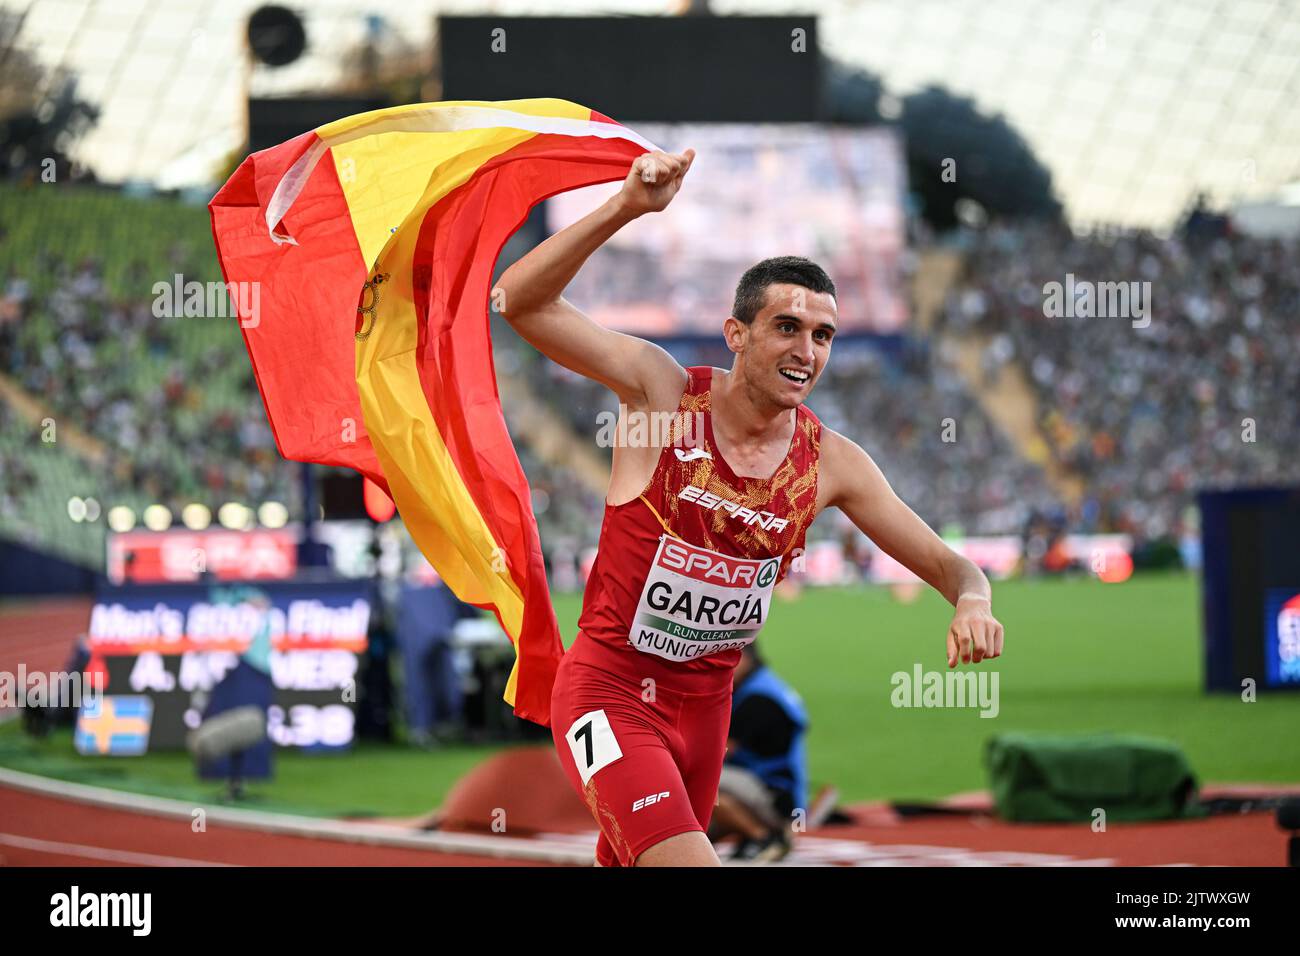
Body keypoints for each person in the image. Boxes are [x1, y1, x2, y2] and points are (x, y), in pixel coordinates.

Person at [493, 147, 1005, 867]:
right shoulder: (659, 396)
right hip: (608, 695)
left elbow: (952, 567)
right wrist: (627, 208)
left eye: (822, 334)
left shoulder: (833, 465)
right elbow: (518, 302)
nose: (807, 350)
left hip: (706, 719)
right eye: (787, 327)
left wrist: (972, 602)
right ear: (738, 334)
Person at [709, 642, 807, 863]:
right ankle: (751, 836)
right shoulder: (765, 685)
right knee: (697, 828)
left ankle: (763, 837)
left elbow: (719, 752)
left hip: (775, 796)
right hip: (779, 789)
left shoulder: (758, 698)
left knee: (698, 780)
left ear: (743, 658)